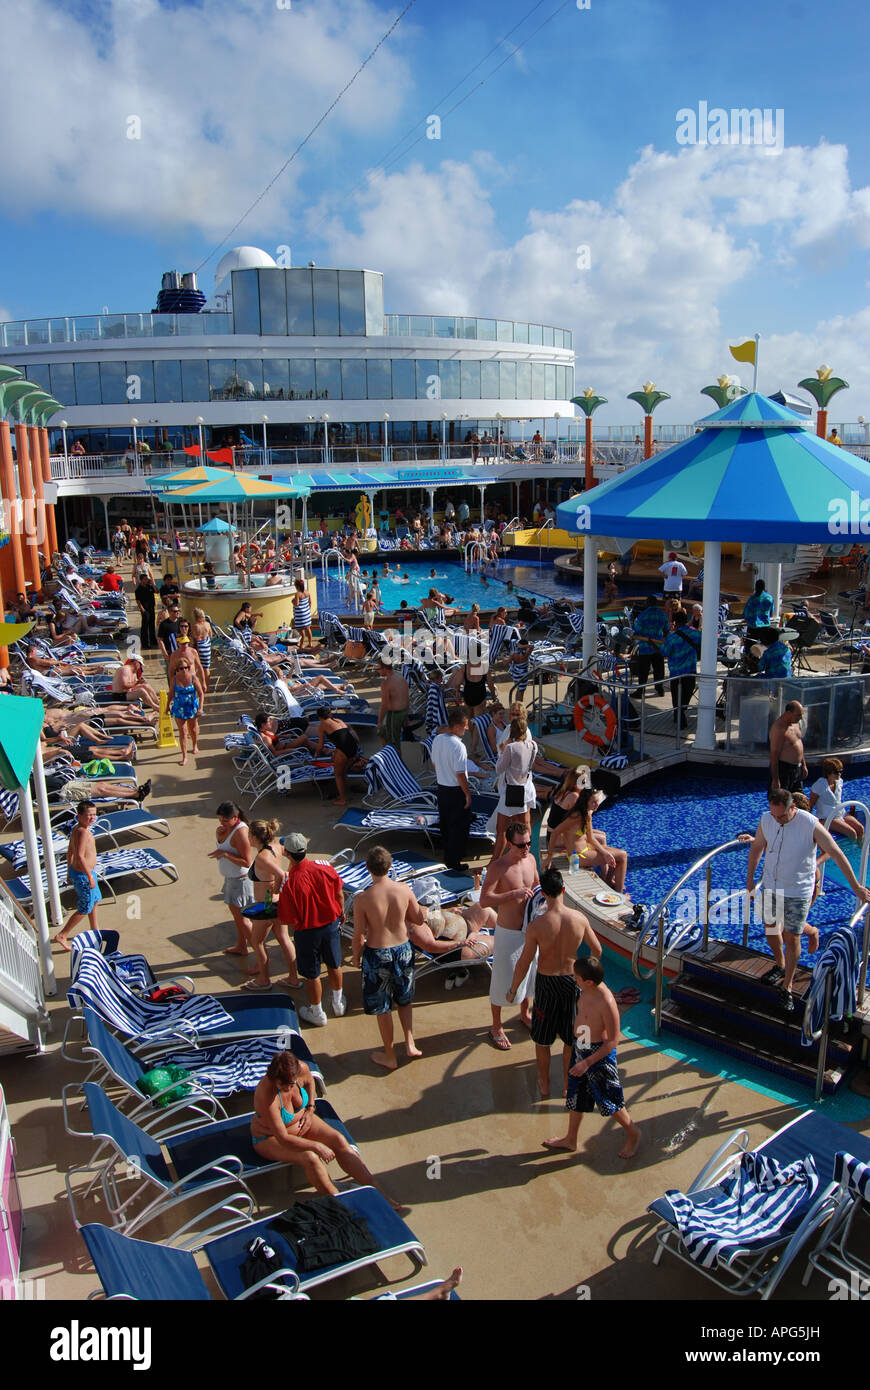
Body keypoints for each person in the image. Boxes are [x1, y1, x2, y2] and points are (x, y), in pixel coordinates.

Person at [747, 788, 870, 1009]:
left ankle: (787, 986)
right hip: (771, 886)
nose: (778, 820)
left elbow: (836, 853)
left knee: (792, 936)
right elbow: (757, 848)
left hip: (797, 891)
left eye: (782, 816)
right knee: (770, 928)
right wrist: (749, 882)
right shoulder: (767, 819)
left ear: (792, 807)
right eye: (774, 815)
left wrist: (856, 887)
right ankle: (780, 964)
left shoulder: (810, 823)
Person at [250, 1051, 402, 1209]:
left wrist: (310, 1108)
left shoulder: (302, 1068)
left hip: (302, 1123)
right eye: (283, 1086)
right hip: (269, 1138)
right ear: (274, 1079)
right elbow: (283, 1138)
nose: (287, 1088)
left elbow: (310, 1083)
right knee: (311, 1158)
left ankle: (379, 1193)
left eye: (291, 1084)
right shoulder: (266, 1095)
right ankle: (341, 1205)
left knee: (339, 1140)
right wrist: (317, 1146)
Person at [506, 867, 602, 1097]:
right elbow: (596, 950)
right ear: (563, 890)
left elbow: (524, 962)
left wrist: (513, 990)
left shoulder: (537, 926)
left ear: (544, 894)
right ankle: (569, 1084)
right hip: (572, 982)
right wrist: (590, 983)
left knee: (543, 1039)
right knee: (571, 1038)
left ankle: (545, 1082)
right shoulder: (579, 919)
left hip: (547, 983)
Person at [543, 957, 641, 1159]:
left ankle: (634, 1133)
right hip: (583, 1046)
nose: (573, 978)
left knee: (608, 1101)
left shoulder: (606, 1002)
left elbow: (613, 1041)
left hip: (598, 1056)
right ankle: (570, 1139)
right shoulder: (585, 989)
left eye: (576, 977)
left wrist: (587, 1062)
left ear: (588, 981)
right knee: (576, 1095)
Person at [351, 844, 425, 1069]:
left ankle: (390, 1055)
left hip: (378, 953)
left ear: (368, 868)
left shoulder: (362, 899)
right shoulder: (404, 890)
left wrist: (356, 957)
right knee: (405, 998)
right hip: (403, 949)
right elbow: (418, 919)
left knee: (383, 1007)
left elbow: (358, 936)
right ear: (390, 865)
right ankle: (410, 1043)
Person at [481, 821, 540, 1050]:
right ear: (509, 843)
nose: (526, 848)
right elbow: (485, 900)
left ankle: (524, 1014)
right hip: (507, 932)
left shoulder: (531, 859)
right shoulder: (499, 867)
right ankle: (495, 1026)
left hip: (529, 929)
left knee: (527, 975)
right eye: (521, 845)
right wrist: (512, 894)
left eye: (528, 843)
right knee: (502, 981)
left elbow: (536, 884)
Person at [277, 833, 346, 1026]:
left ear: (287, 853)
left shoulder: (289, 883)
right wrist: (339, 913)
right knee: (334, 964)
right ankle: (338, 1004)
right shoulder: (325, 866)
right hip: (331, 924)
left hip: (307, 932)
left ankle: (317, 1012)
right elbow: (339, 894)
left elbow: (287, 918)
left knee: (312, 974)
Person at [242, 819, 301, 992]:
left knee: (256, 941)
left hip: (267, 903)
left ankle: (264, 979)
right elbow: (290, 857)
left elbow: (282, 875)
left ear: (253, 837)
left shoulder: (262, 857)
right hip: (278, 902)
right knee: (283, 938)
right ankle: (293, 978)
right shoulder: (276, 846)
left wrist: (274, 889)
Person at [545, 788, 628, 891]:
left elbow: (591, 838)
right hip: (579, 856)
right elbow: (555, 832)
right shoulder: (576, 816)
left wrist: (605, 853)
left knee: (613, 855)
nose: (597, 805)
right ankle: (619, 894)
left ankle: (609, 881)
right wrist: (549, 856)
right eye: (593, 802)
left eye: (597, 801)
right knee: (623, 856)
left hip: (586, 848)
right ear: (585, 802)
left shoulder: (587, 813)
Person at [52, 800, 101, 951]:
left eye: (94, 814)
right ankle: (62, 934)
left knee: (95, 900)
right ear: (79, 816)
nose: (92, 818)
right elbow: (79, 856)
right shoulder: (83, 832)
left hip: (83, 872)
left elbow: (70, 852)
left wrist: (68, 871)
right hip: (84, 875)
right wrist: (90, 877)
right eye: (89, 815)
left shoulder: (77, 829)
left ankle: (95, 929)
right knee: (85, 907)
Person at [209, 802, 254, 959]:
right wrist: (219, 836)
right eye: (220, 820)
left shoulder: (241, 833)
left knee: (244, 921)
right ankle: (242, 946)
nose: (221, 823)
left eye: (225, 820)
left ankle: (260, 956)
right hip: (231, 880)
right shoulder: (227, 829)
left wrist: (225, 854)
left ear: (235, 818)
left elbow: (247, 862)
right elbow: (226, 845)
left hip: (240, 882)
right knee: (238, 918)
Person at [431, 707, 474, 872]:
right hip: (455, 791)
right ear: (456, 727)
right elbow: (460, 774)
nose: (467, 729)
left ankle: (448, 857)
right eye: (465, 726)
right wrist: (467, 794)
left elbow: (435, 763)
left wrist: (443, 773)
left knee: (446, 825)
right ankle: (454, 862)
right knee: (458, 827)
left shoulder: (438, 739)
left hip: (442, 788)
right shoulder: (458, 746)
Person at [493, 714, 538, 858]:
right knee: (525, 825)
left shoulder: (511, 748)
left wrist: (502, 751)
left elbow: (499, 769)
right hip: (526, 790)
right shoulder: (533, 746)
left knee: (501, 830)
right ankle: (525, 855)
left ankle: (495, 861)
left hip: (511, 792)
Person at [661, 608, 702, 729]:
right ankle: (681, 713)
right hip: (690, 670)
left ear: (675, 623)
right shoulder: (695, 634)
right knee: (687, 694)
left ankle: (678, 715)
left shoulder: (671, 638)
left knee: (676, 695)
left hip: (676, 672)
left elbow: (664, 652)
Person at [312, 708, 360, 808]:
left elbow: (320, 745)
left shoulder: (322, 725)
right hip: (353, 747)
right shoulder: (339, 720)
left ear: (319, 717)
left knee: (337, 775)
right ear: (330, 714)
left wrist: (316, 754)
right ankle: (344, 794)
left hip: (343, 749)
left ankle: (342, 799)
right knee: (343, 772)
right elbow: (344, 735)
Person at [809, 758, 864, 840]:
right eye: (836, 772)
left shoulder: (839, 782)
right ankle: (849, 852)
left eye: (840, 771)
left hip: (840, 813)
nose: (839, 774)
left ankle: (863, 851)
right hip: (826, 817)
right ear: (828, 773)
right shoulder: (819, 785)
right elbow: (810, 804)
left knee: (860, 828)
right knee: (851, 833)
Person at [168, 655, 204, 766]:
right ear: (177, 670)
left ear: (188, 668)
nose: (183, 670)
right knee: (183, 732)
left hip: (191, 707)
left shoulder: (193, 678)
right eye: (180, 668)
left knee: (192, 729)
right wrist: (166, 707)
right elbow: (171, 694)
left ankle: (194, 745)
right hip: (179, 708)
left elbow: (201, 693)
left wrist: (200, 708)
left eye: (185, 667)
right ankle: (184, 756)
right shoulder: (174, 679)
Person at [631, 595, 669, 696]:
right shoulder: (663, 614)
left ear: (647, 603)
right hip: (658, 647)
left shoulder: (642, 616)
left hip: (645, 647)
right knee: (659, 669)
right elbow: (666, 629)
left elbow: (637, 632)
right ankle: (660, 689)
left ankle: (641, 690)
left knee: (643, 670)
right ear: (656, 603)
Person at [768, 701, 807, 794]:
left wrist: (803, 765)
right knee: (783, 802)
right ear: (789, 713)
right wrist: (776, 779)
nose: (800, 718)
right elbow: (774, 756)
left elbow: (800, 745)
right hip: (784, 770)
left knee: (799, 800)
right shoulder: (779, 729)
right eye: (798, 715)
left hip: (797, 768)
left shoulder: (796, 724)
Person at [376, 660, 410, 755]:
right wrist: (406, 715)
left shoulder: (386, 684)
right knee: (381, 733)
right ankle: (389, 756)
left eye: (378, 669)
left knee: (394, 743)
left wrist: (379, 722)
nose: (377, 671)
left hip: (394, 715)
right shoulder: (401, 677)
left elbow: (384, 705)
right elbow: (407, 698)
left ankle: (397, 763)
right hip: (403, 712)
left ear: (385, 668)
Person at [157, 602, 182, 673]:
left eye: (178, 611)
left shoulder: (181, 621)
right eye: (175, 611)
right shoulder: (164, 624)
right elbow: (160, 640)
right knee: (172, 671)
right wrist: (165, 653)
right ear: (169, 612)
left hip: (180, 650)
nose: (177, 613)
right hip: (170, 652)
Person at [292, 578, 313, 650]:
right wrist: (307, 610)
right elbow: (310, 602)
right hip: (306, 614)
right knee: (308, 629)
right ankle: (310, 643)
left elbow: (297, 604)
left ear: (297, 587)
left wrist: (293, 601)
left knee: (301, 631)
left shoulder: (298, 594)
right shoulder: (307, 592)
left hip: (300, 615)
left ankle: (301, 645)